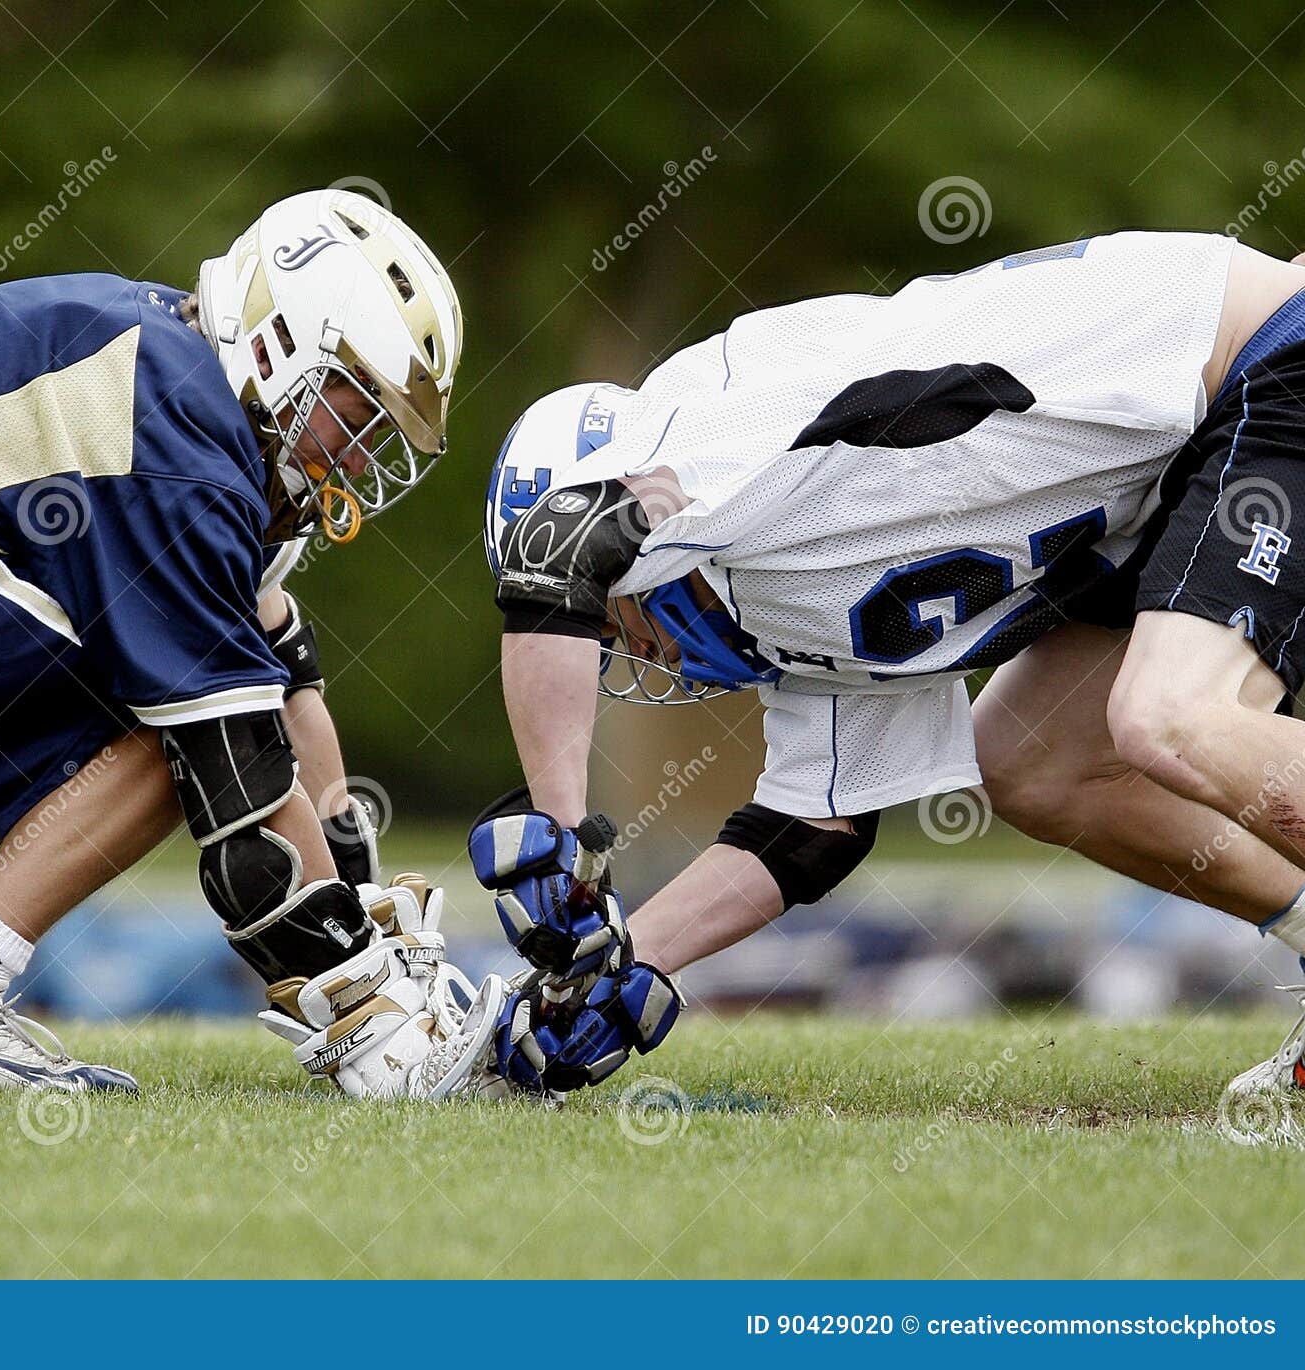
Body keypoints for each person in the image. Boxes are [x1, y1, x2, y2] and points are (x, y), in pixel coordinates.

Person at [468, 229, 1305, 1105]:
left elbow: (562, 544)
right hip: (1165, 476)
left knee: (1170, 714)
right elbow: (809, 829)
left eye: (612, 615)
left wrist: (561, 842)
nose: (630, 645)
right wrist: (620, 967)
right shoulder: (772, 593)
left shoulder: (722, 431)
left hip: (1257, 361)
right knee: (1030, 764)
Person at [0, 187, 500, 1099]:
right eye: (356, 399)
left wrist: (355, 896)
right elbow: (233, 761)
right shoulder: (177, 421)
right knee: (173, 721)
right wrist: (362, 998)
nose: (361, 449)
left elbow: (284, 670)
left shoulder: (178, 379)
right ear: (278, 341)